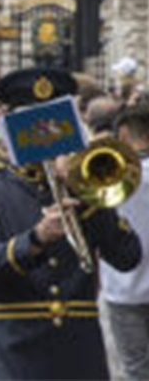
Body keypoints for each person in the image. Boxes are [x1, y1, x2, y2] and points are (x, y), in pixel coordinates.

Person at [0, 68, 142, 379]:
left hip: (77, 355)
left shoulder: (82, 184)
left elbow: (127, 257)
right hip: (11, 356)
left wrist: (85, 197)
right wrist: (35, 238)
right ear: (8, 125)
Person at [102, 108, 149, 381]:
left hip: (123, 288)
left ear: (122, 135)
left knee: (135, 370)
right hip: (125, 288)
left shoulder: (110, 176)